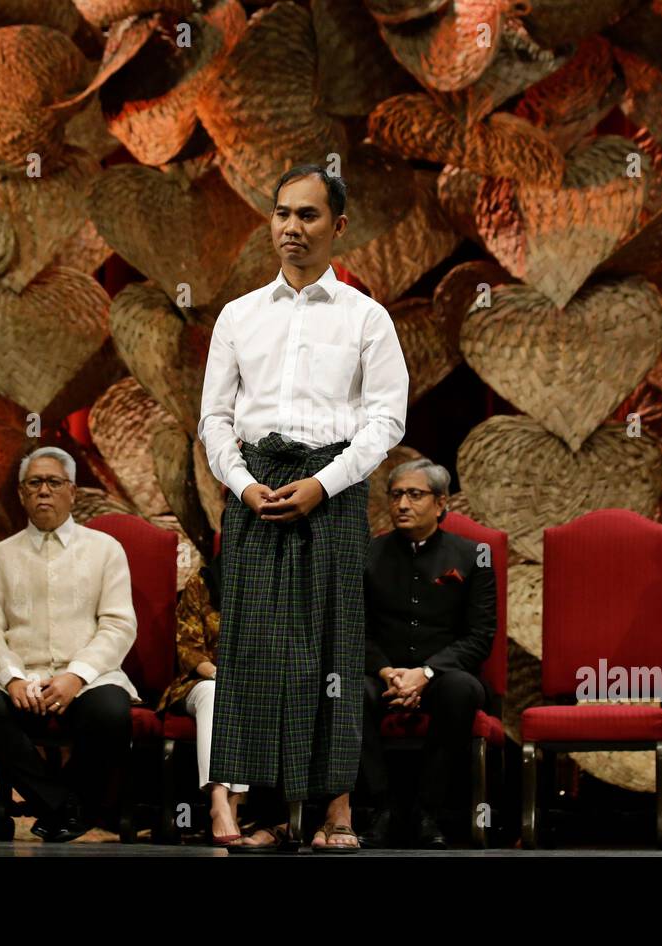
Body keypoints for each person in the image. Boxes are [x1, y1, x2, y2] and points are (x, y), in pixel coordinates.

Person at [198, 164, 411, 851]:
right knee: (255, 651)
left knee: (331, 649)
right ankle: (263, 814)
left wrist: (328, 482)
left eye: (308, 215)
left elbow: (386, 421)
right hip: (256, 487)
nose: (291, 227)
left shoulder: (365, 317)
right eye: (282, 213)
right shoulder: (239, 315)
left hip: (332, 487)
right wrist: (239, 482)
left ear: (338, 226)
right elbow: (214, 419)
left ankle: (336, 812)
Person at [0, 447, 138, 842]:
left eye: (53, 482)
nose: (44, 491)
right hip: (22, 680)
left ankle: (60, 806)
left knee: (110, 712)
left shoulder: (105, 550)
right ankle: (65, 807)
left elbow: (119, 625)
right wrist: (12, 678)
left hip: (85, 678)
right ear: (21, 494)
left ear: (72, 492)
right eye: (34, 483)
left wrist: (76, 676)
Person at [357, 459, 496, 849]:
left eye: (414, 495)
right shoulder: (368, 554)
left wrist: (426, 673)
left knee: (462, 691)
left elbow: (479, 636)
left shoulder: (473, 556)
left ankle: (428, 811)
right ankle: (382, 808)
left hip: (444, 673)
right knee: (346, 691)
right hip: (383, 672)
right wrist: (387, 672)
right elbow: (357, 631)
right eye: (396, 494)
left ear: (440, 503)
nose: (402, 504)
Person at [156, 552, 251, 844]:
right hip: (199, 681)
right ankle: (219, 799)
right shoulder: (202, 582)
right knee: (216, 692)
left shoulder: (269, 584)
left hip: (252, 686)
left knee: (243, 697)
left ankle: (232, 809)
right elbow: (188, 648)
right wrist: (220, 675)